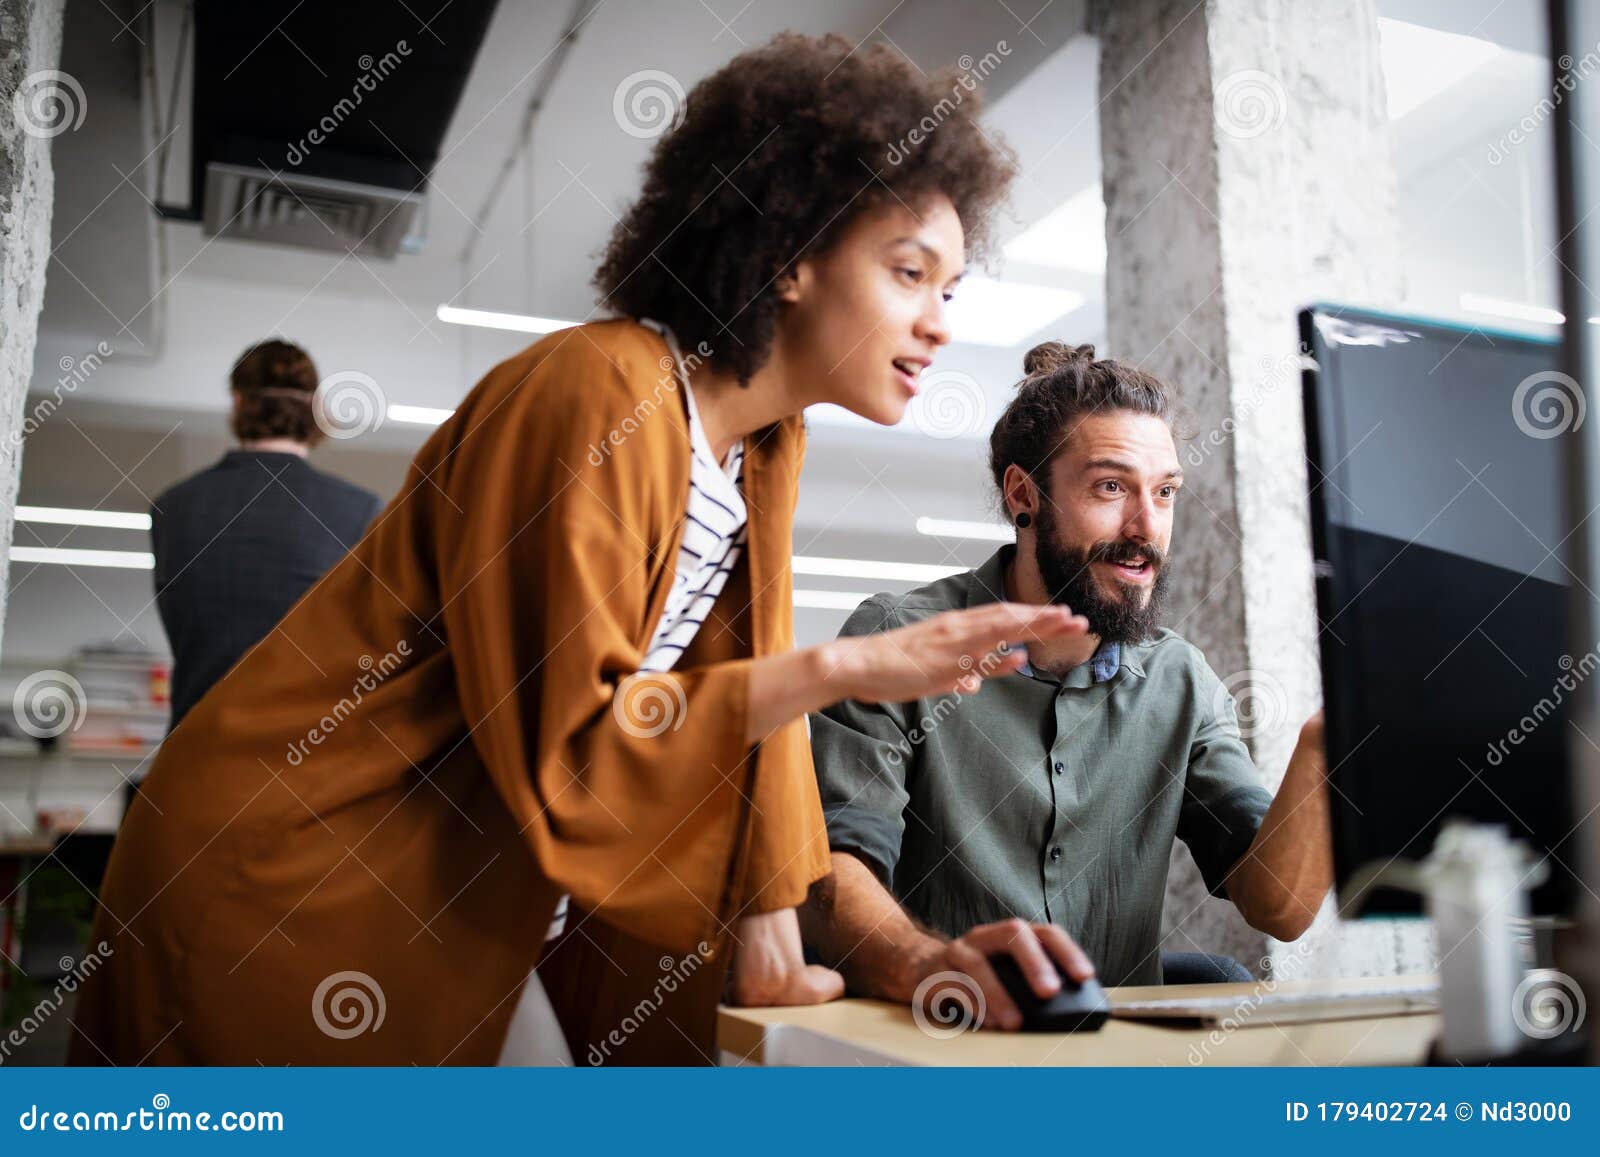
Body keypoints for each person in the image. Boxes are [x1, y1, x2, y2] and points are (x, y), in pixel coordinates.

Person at [68, 34, 1087, 1067]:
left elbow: (749, 733)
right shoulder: (601, 389)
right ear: (789, 254)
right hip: (300, 867)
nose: (939, 324)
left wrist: (786, 950)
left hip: (453, 888)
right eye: (910, 272)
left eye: (949, 289)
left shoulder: (764, 447)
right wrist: (848, 666)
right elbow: (576, 743)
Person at [800, 341, 1333, 1031]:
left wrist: (1325, 742)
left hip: (1121, 1067)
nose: (1146, 528)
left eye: (1164, 492)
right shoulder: (899, 641)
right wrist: (936, 967)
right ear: (1025, 495)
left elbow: (1279, 906)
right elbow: (835, 876)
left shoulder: (1181, 680)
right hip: (938, 1044)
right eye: (1111, 487)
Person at [152, 339, 383, 730]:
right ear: (315, 411)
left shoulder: (172, 506)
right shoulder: (358, 510)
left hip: (194, 749)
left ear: (238, 403)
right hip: (305, 755)